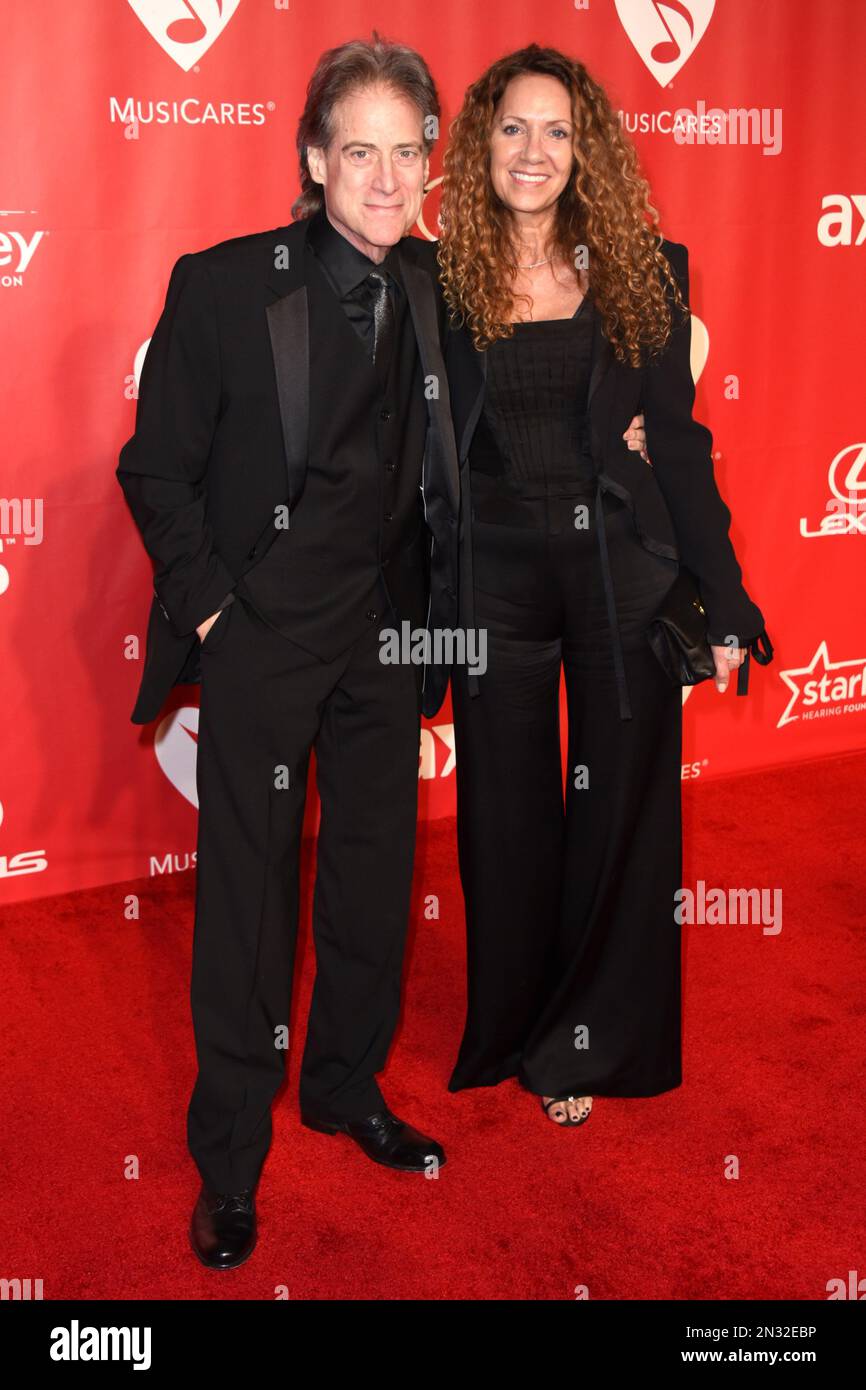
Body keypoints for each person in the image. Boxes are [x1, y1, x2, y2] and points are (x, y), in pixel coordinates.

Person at [117, 35, 460, 1270]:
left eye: (405, 150)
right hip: (263, 636)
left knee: (371, 881)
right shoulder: (222, 287)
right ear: (314, 158)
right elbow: (152, 469)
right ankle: (229, 1160)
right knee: (249, 910)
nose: (383, 177)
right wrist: (215, 614)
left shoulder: (433, 284)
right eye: (356, 150)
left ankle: (345, 1089)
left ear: (431, 158)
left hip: (386, 636)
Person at [437, 45, 773, 1128]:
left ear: (589, 152)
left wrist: (722, 598)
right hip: (491, 582)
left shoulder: (646, 271)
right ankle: (509, 1023)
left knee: (620, 810)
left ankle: (582, 1040)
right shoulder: (435, 277)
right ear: (479, 142)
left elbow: (677, 449)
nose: (532, 152)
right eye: (510, 128)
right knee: (504, 812)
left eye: (556, 131)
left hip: (617, 568)